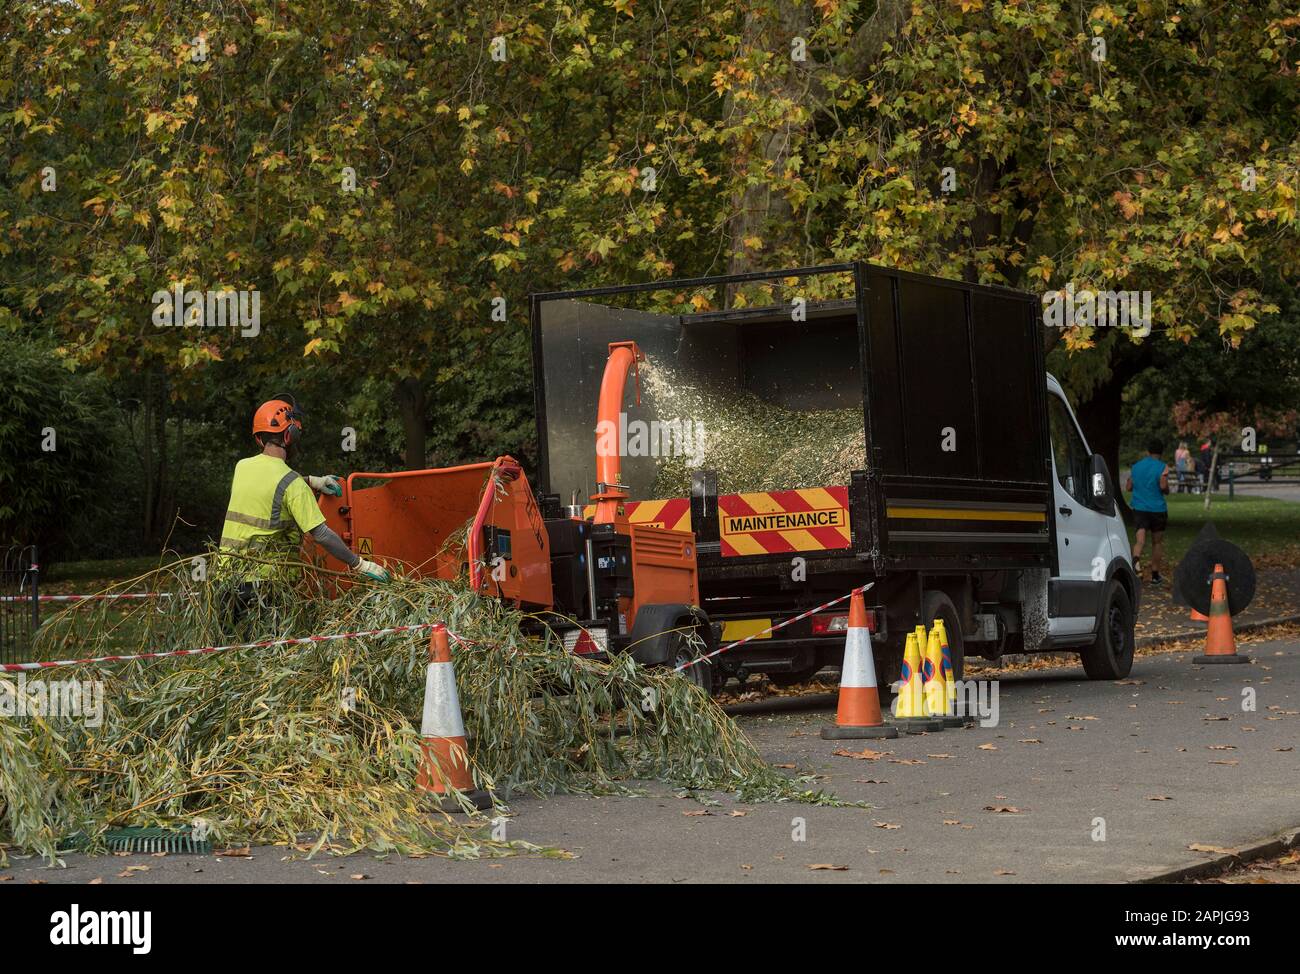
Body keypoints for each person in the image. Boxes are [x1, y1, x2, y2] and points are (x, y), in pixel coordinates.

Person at [218, 395, 389, 626]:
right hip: (266, 587)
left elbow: (268, 484)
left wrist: (312, 480)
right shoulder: (292, 484)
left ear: (259, 439)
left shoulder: (242, 467)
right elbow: (322, 534)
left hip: (227, 579)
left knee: (231, 651)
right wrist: (359, 563)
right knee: (269, 653)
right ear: (290, 436)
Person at [1124, 439, 1170, 584]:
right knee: (1157, 542)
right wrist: (1167, 490)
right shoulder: (1162, 467)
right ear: (1161, 452)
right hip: (1157, 509)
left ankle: (1136, 561)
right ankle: (1155, 575)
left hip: (1139, 508)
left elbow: (1129, 487)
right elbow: (1163, 486)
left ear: (1148, 451)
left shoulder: (1136, 467)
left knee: (1140, 540)